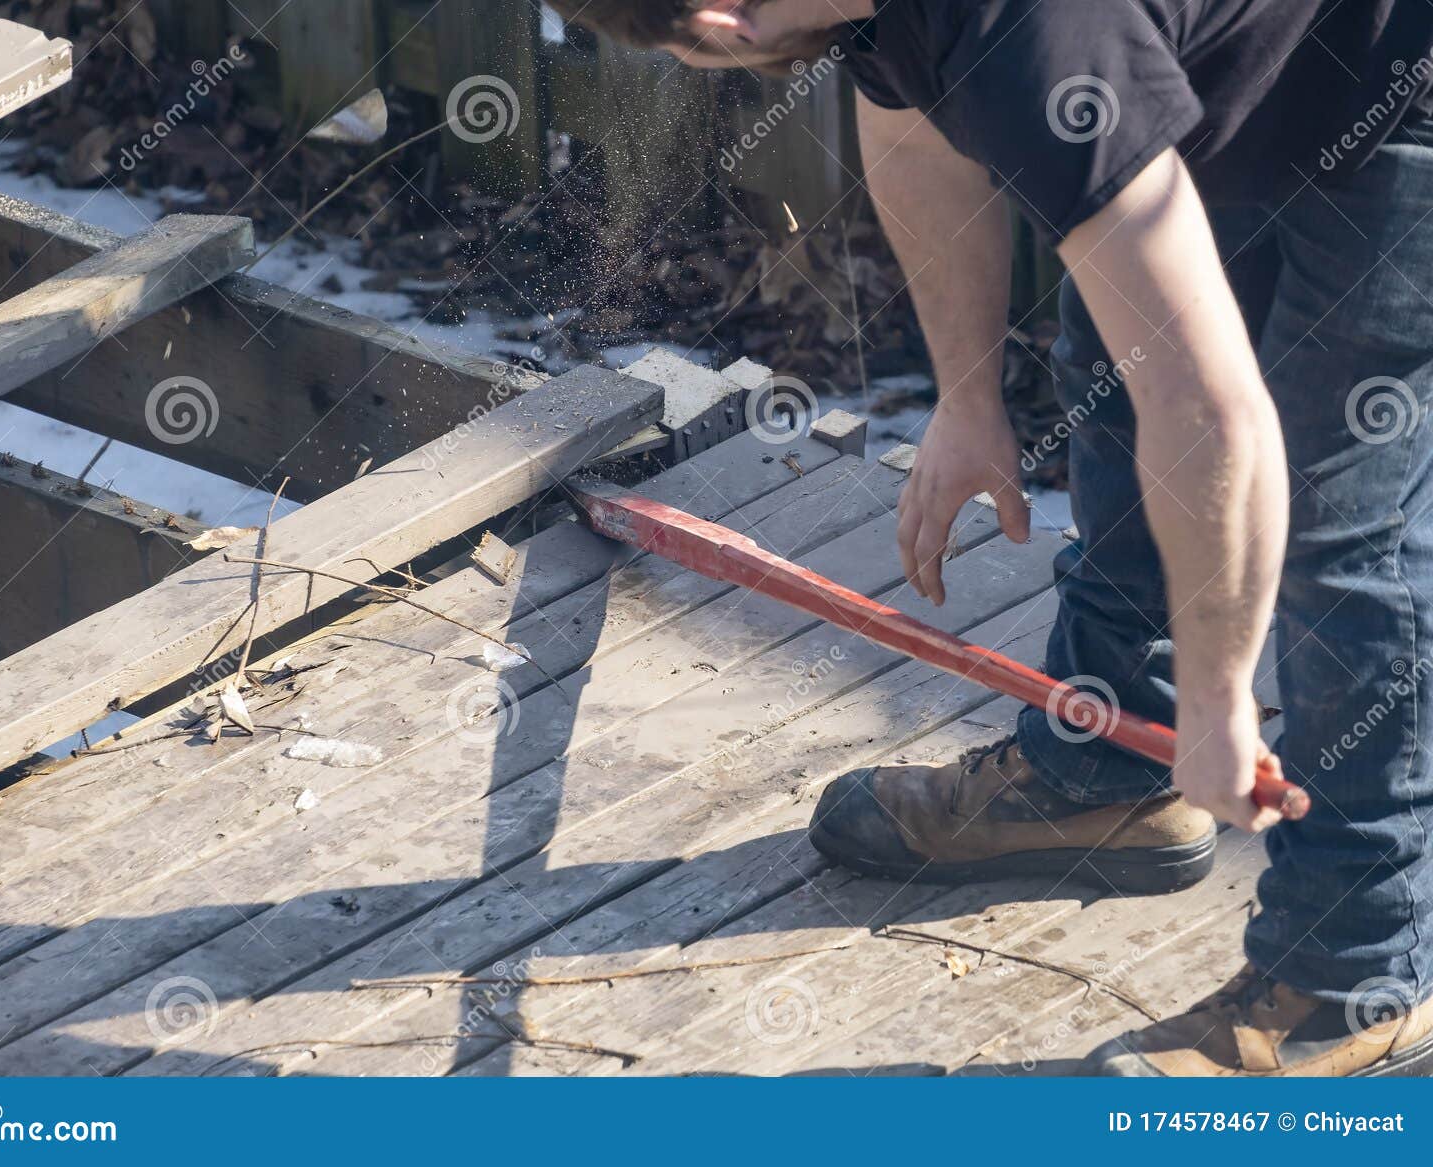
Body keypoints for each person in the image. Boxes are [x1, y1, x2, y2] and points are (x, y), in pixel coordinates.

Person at [570, 0, 1433, 1077]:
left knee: (1336, 527)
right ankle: (1106, 772)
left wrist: (1219, 702)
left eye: (698, 52)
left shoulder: (1035, 35)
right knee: (1117, 391)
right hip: (1236, 60)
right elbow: (907, 116)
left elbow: (1212, 415)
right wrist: (968, 398)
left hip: (1398, 77)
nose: (734, 65)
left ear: (721, 17)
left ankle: (1354, 977)